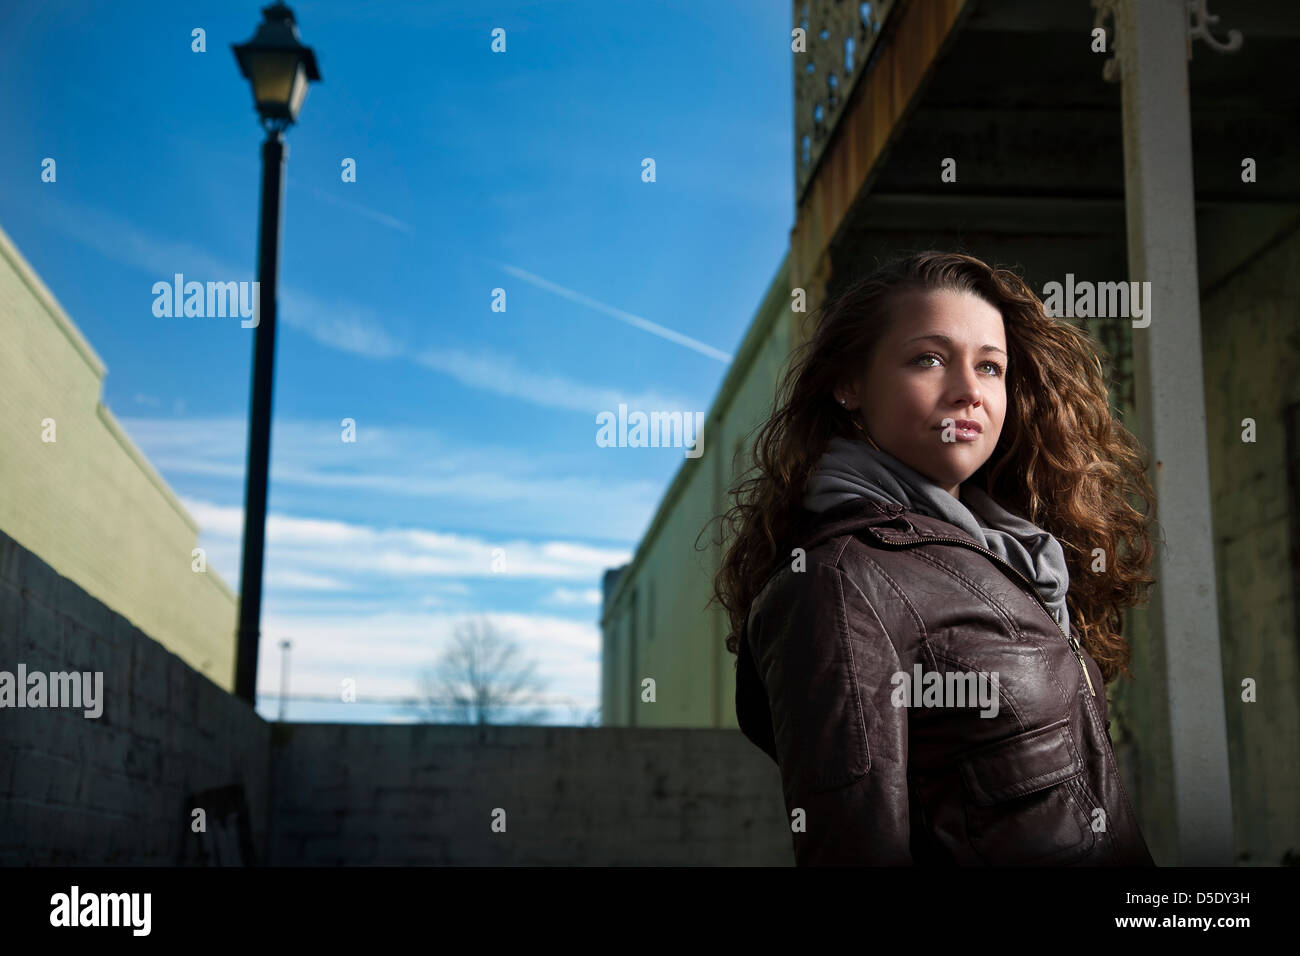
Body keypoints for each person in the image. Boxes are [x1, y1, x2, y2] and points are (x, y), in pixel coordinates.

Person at [710, 251, 1157, 865]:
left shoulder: (1014, 560)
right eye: (929, 359)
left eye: (991, 367)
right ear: (849, 384)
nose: (970, 391)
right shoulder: (839, 582)